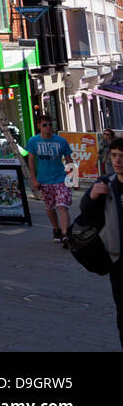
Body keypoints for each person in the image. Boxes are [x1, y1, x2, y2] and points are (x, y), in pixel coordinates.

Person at [78, 137, 123, 348]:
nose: (118, 161)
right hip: (118, 262)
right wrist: (92, 197)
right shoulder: (106, 184)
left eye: (122, 157)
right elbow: (87, 215)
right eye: (114, 156)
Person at [26, 114, 74, 247]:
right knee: (50, 207)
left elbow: (69, 160)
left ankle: (65, 234)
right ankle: (56, 229)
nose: (48, 127)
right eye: (45, 125)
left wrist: (73, 179)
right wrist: (34, 180)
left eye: (50, 124)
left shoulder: (61, 141)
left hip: (60, 179)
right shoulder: (33, 141)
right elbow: (31, 161)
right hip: (44, 180)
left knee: (62, 206)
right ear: (39, 126)